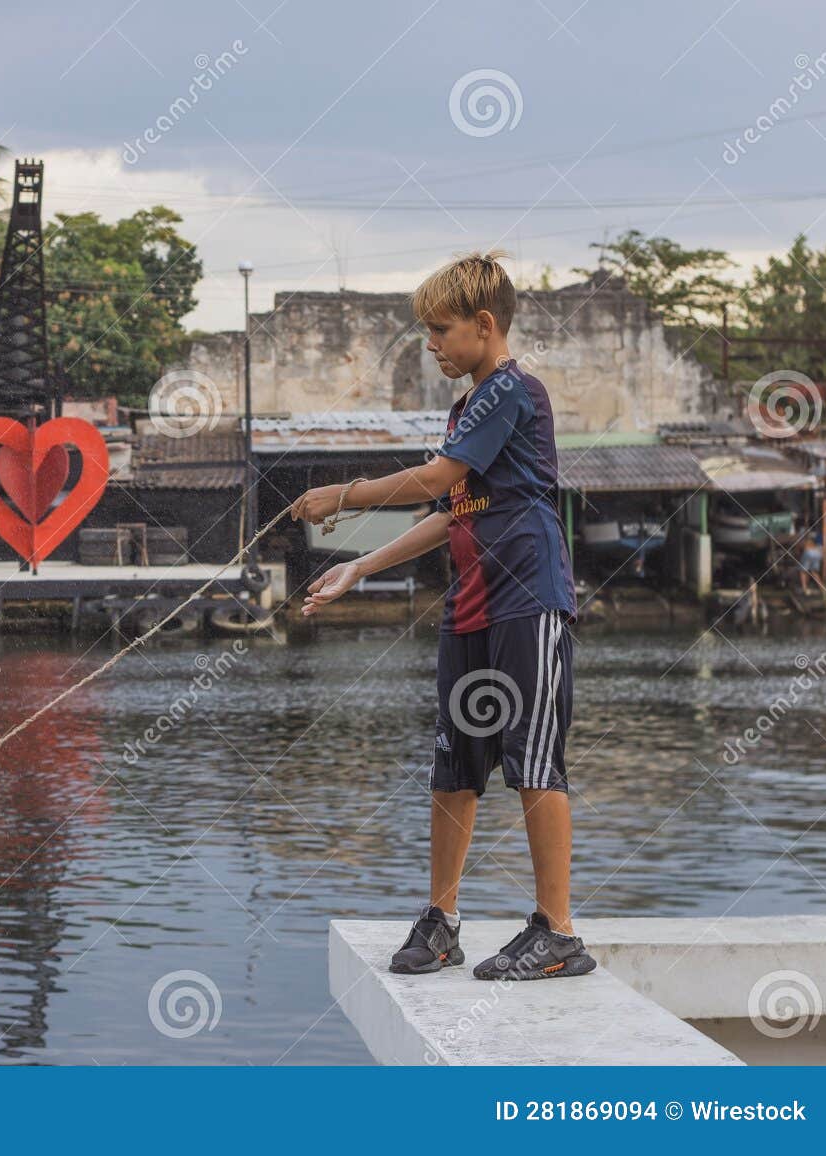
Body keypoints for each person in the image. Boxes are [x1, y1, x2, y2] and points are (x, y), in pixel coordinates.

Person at [289, 251, 596, 981]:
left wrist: (346, 492)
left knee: (534, 762)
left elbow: (432, 478)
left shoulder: (510, 392)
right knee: (453, 765)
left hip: (529, 598)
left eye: (440, 330)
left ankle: (558, 932)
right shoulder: (469, 406)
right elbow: (447, 508)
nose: (430, 344)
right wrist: (360, 566)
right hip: (471, 606)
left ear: (484, 326)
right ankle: (443, 919)